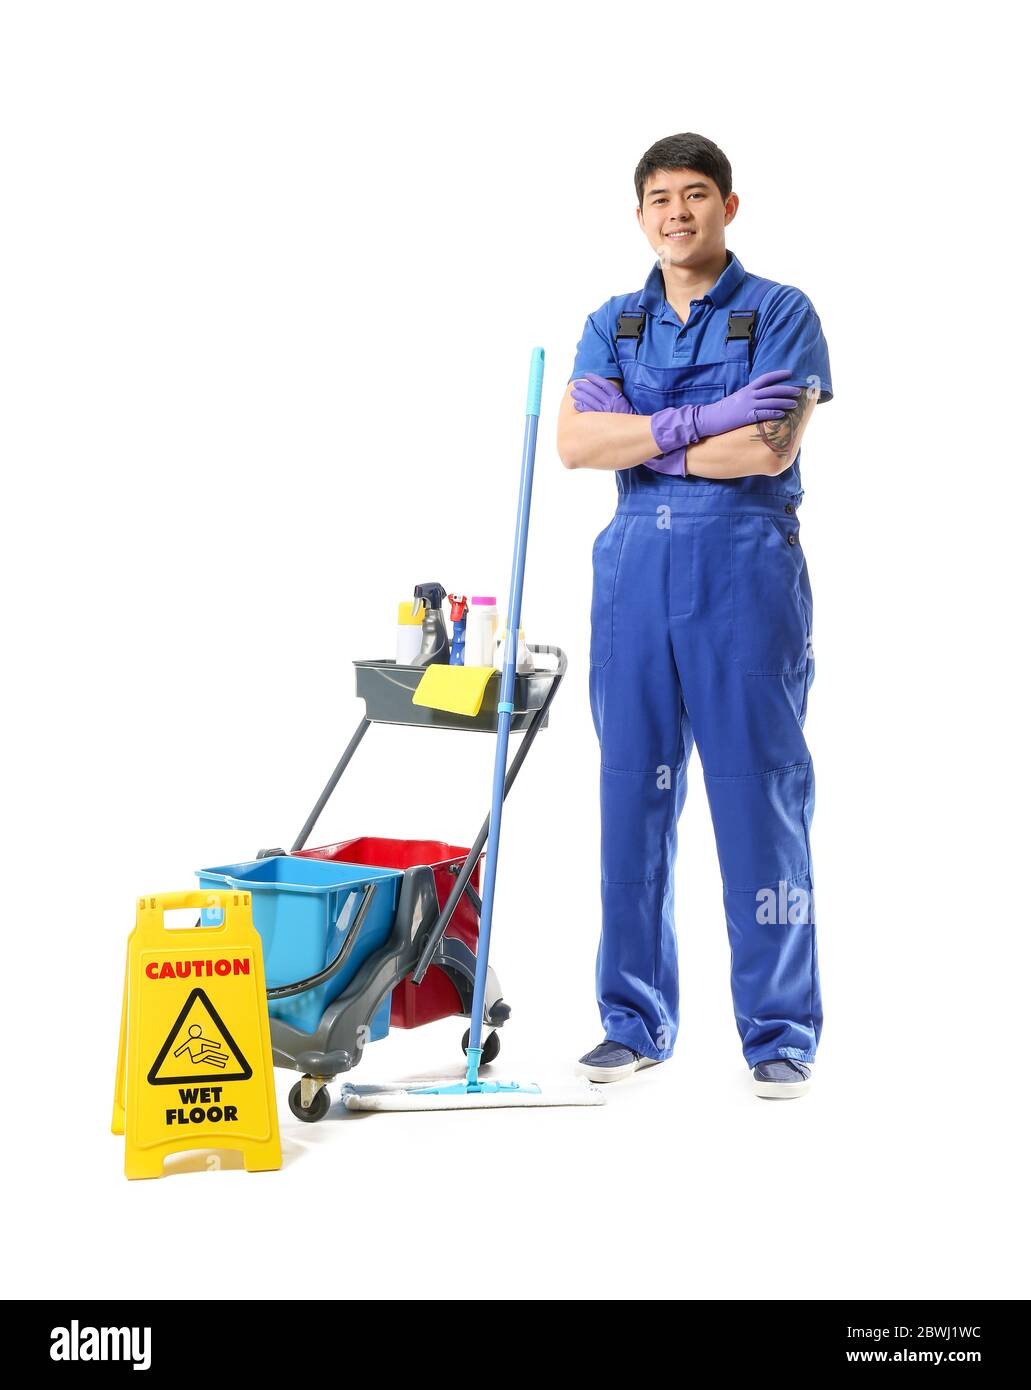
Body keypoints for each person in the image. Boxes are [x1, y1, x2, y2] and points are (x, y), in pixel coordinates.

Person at [557, 132, 833, 1099]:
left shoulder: (781, 313)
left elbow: (766, 452)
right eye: (659, 198)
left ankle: (779, 1033)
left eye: (696, 194)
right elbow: (577, 445)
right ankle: (631, 1022)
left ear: (728, 207)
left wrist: (644, 441)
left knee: (759, 798)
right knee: (629, 796)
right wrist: (698, 423)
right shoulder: (613, 322)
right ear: (640, 215)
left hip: (744, 571)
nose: (677, 211)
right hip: (632, 574)